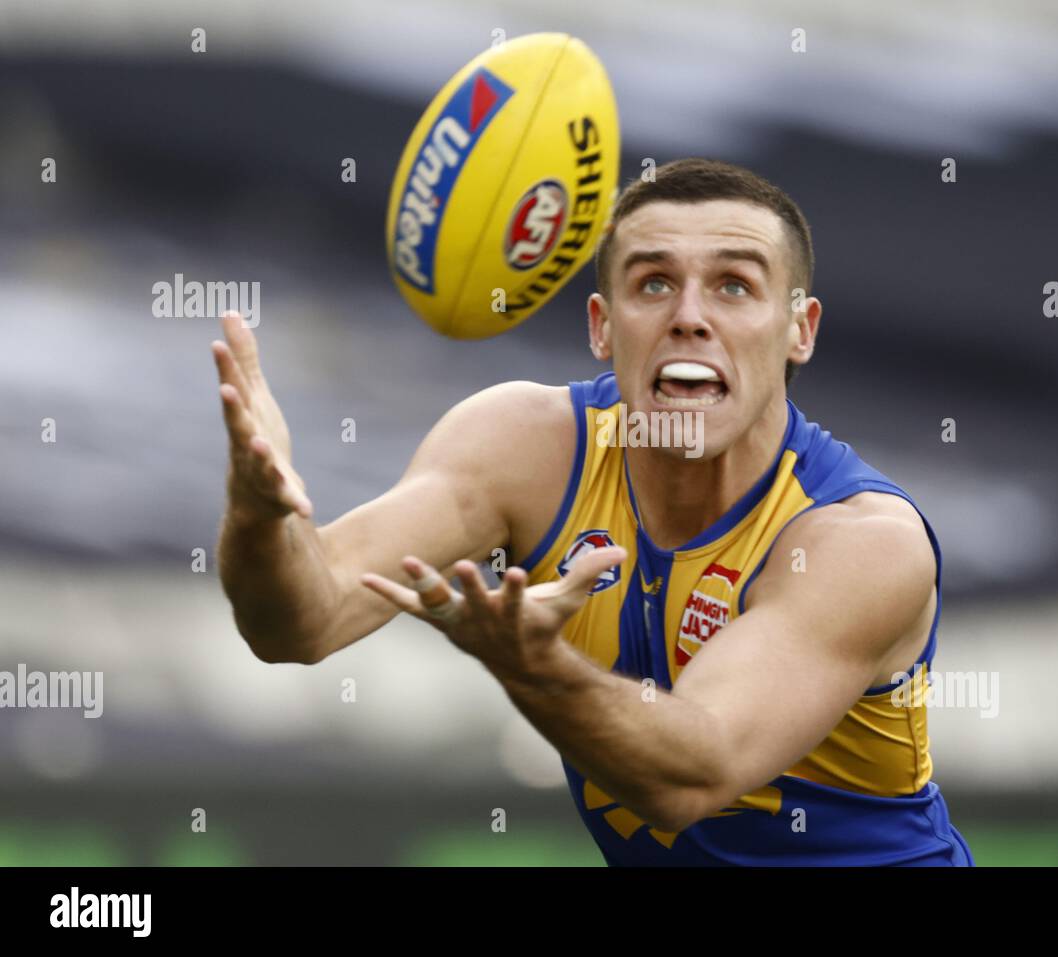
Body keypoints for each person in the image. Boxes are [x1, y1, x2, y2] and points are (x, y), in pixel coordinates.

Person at [213, 157, 974, 866]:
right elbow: (300, 622)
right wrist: (257, 519)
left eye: (735, 286)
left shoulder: (860, 541)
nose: (689, 316)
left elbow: (691, 776)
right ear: (602, 326)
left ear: (799, 331)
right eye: (652, 283)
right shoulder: (524, 447)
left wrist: (535, 665)